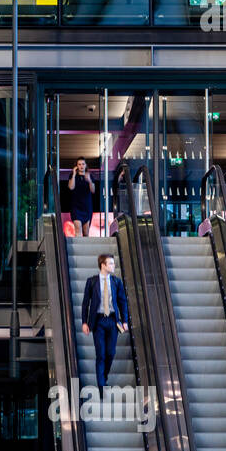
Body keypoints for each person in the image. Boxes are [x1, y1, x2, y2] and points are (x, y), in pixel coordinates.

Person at [81, 253, 129, 392]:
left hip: (113, 321)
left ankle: (104, 377)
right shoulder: (92, 282)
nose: (113, 266)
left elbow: (122, 302)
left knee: (111, 353)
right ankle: (101, 386)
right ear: (103, 265)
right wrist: (84, 322)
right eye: (111, 263)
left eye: (113, 263)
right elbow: (85, 304)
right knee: (101, 353)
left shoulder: (116, 281)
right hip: (98, 321)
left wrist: (124, 320)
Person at [68, 157, 96, 236]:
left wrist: (89, 180)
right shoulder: (73, 176)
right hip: (76, 207)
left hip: (87, 207)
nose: (81, 166)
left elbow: (93, 190)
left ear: (86, 165)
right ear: (76, 166)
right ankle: (78, 248)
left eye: (83, 164)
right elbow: (71, 187)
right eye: (79, 164)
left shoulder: (90, 176)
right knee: (78, 228)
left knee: (86, 232)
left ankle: (86, 248)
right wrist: (73, 174)